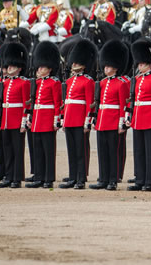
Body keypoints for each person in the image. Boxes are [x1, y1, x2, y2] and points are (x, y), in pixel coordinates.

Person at [125, 38, 151, 192]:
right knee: (138, 151)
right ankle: (139, 179)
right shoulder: (136, 79)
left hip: (149, 119)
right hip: (138, 118)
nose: (139, 66)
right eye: (139, 63)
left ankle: (149, 181)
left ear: (149, 64)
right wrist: (130, 116)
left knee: (149, 151)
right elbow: (133, 100)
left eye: (142, 64)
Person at [89, 40, 129, 191]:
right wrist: (95, 119)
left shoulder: (121, 84)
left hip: (113, 121)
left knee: (113, 152)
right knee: (102, 152)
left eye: (109, 66)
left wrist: (121, 123)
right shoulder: (102, 83)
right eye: (105, 65)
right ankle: (103, 178)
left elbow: (122, 106)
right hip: (102, 121)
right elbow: (98, 104)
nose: (106, 68)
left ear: (116, 67)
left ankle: (113, 179)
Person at [58, 40, 97, 189]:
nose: (73, 65)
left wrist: (88, 121)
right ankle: (72, 177)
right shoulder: (68, 81)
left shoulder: (88, 82)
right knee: (71, 151)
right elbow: (66, 103)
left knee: (80, 152)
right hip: (69, 120)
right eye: (72, 63)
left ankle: (81, 178)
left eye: (76, 63)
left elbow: (89, 104)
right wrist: (63, 119)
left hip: (80, 120)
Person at [25, 42, 62, 189]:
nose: (39, 69)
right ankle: (39, 177)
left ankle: (48, 178)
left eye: (42, 67)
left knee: (48, 151)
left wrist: (55, 120)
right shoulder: (37, 83)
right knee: (38, 150)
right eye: (39, 67)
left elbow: (57, 103)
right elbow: (32, 102)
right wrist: (30, 118)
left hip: (47, 120)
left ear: (49, 68)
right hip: (37, 120)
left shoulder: (54, 83)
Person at [0, 42, 30, 188]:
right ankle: (8, 177)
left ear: (19, 68)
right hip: (6, 121)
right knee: (7, 150)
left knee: (17, 150)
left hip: (17, 121)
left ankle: (16, 178)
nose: (9, 68)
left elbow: (26, 104)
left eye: (12, 66)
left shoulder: (24, 83)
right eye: (8, 66)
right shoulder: (5, 83)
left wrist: (23, 122)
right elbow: (2, 105)